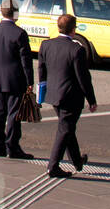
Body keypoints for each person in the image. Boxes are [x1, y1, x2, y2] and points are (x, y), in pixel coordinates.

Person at [39, 14, 97, 178]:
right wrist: (91, 100)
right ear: (73, 29)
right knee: (65, 130)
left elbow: (41, 70)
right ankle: (53, 166)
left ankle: (77, 161)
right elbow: (83, 78)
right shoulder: (77, 50)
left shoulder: (46, 45)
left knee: (68, 128)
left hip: (54, 94)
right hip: (71, 97)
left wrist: (43, 90)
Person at [0, 0, 34, 159]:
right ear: (15, 14)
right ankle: (12, 146)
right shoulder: (19, 33)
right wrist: (30, 82)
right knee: (13, 115)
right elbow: (25, 61)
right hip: (16, 80)